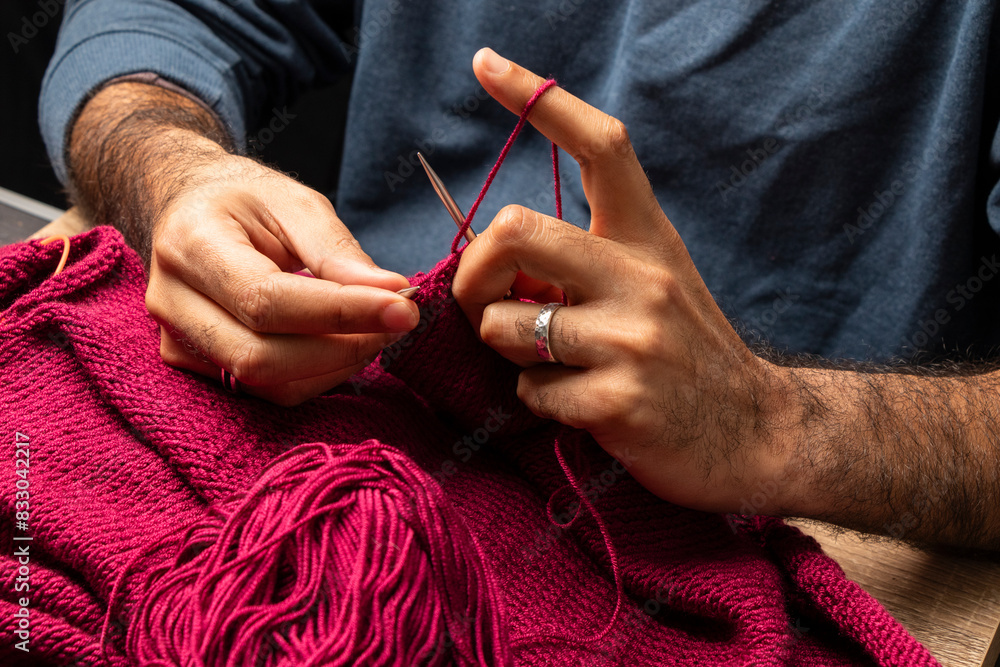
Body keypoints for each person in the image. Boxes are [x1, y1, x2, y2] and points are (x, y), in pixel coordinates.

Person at [41, 0, 1000, 549]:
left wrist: (771, 422)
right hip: (337, 426)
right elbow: (163, 17)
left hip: (792, 531)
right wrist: (176, 171)